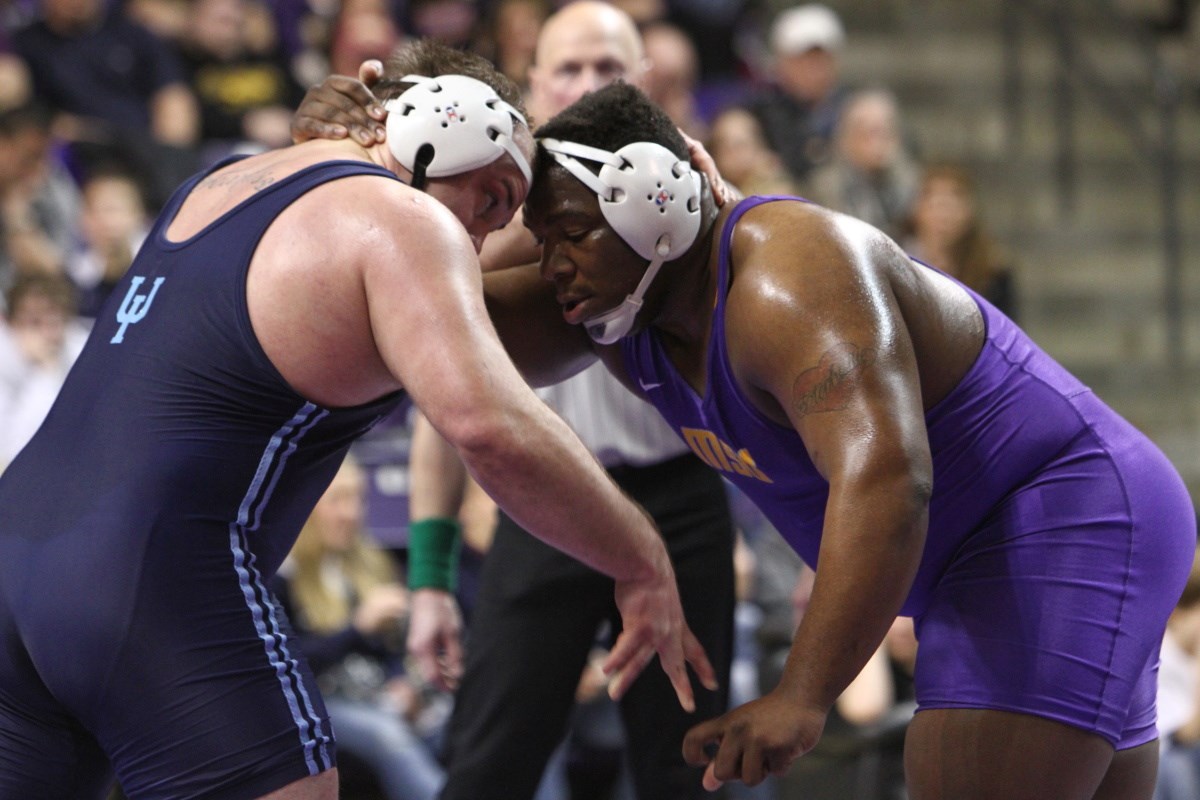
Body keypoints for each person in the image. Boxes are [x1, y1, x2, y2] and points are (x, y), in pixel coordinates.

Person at [302, 78, 1197, 796]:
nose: (554, 263)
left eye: (569, 232)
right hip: (986, 550)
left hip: (1060, 513)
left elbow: (889, 481)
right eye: (542, 239)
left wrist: (802, 696)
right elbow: (409, 307)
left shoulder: (788, 278)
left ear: (656, 203)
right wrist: (364, 165)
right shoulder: (614, 301)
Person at [0, 41, 713, 800]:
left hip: (16, 567)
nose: (485, 235)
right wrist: (641, 557)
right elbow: (490, 429)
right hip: (156, 582)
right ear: (445, 124)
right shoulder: (400, 219)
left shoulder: (218, 182)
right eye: (495, 201)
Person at [294, 5, 738, 799]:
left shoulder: (690, 193)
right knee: (490, 760)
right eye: (569, 68)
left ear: (646, 85)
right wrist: (431, 579)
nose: (588, 83)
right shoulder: (495, 201)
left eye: (609, 69)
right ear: (533, 81)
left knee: (688, 763)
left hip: (679, 493)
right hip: (551, 497)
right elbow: (451, 394)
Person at [271, 456, 447, 800]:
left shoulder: (369, 562)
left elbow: (392, 649)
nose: (350, 512)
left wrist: (401, 681)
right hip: (324, 704)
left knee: (474, 720)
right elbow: (291, 666)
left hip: (378, 694)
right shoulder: (282, 577)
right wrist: (357, 628)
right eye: (337, 500)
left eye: (357, 499)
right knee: (386, 735)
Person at [901, 160, 1020, 320]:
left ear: (969, 212)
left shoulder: (993, 273)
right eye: (935, 203)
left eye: (952, 203)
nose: (943, 214)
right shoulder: (895, 262)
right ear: (916, 209)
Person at [807, 87, 920, 241]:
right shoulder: (826, 186)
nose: (879, 143)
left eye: (886, 132)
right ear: (847, 138)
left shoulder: (910, 179)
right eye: (870, 134)